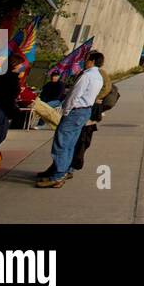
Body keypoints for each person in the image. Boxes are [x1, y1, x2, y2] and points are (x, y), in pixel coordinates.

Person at [36, 51, 105, 188]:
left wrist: (66, 110)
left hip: (75, 111)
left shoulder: (87, 76)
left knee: (62, 142)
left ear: (91, 61)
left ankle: (58, 175)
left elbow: (74, 95)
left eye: (86, 59)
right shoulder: (99, 77)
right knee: (70, 143)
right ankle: (63, 170)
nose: (84, 61)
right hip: (85, 111)